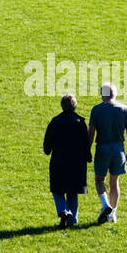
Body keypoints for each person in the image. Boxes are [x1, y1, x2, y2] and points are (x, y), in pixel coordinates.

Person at [88, 81, 127, 225]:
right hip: (118, 149)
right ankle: (113, 213)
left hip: (103, 148)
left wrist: (87, 150)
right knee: (114, 182)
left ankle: (105, 205)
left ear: (103, 94)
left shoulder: (96, 110)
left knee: (99, 180)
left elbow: (91, 133)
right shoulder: (124, 109)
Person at [43, 94, 91, 228]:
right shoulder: (80, 122)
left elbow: (47, 146)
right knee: (72, 191)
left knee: (57, 190)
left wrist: (48, 150)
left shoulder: (55, 121)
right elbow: (86, 143)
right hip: (77, 163)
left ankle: (63, 210)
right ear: (75, 106)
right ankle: (72, 219)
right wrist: (88, 157)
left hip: (59, 161)